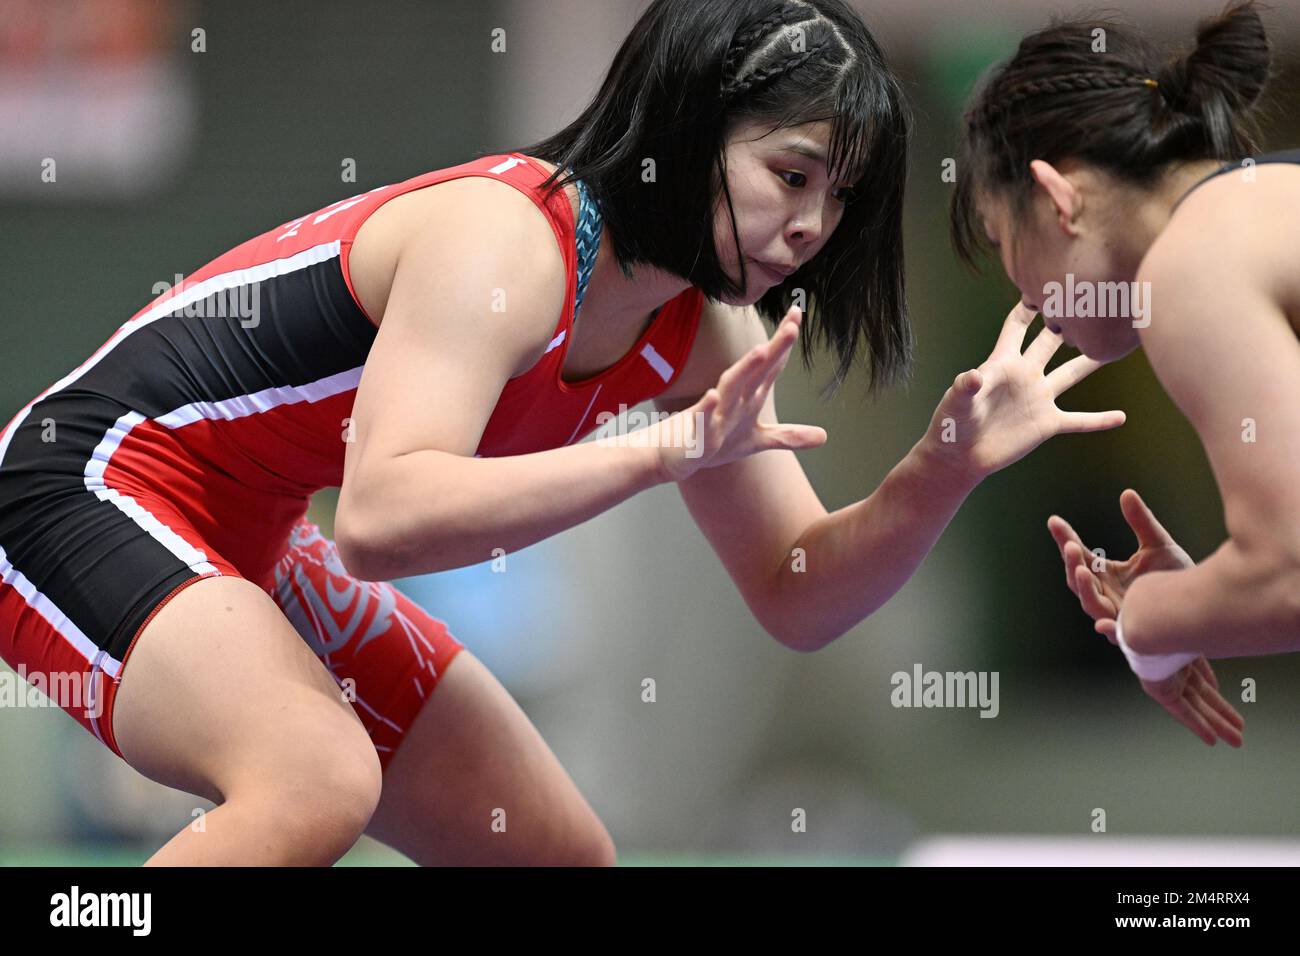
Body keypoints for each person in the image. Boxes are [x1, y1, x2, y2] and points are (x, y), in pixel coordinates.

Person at [0, 0, 1130, 866]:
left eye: (834, 202)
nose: (807, 230)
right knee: (311, 776)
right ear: (687, 129)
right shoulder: (505, 243)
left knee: (552, 851)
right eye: (788, 176)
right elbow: (385, 519)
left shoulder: (701, 333)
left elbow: (796, 590)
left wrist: (941, 469)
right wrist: (655, 450)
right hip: (81, 482)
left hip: (247, 527)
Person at [950, 0, 1293, 746]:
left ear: (1054, 197)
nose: (1023, 294)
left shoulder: (1190, 267)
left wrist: (1149, 624)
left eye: (998, 235)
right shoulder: (1264, 203)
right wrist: (1207, 591)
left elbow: (1287, 580)